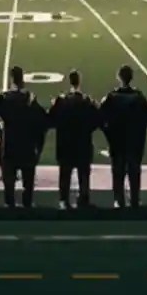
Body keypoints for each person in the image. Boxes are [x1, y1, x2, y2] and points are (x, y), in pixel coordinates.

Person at [0, 66, 46, 209]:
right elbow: (43, 121)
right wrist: (38, 144)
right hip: (26, 146)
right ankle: (27, 209)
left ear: (11, 79)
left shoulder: (4, 98)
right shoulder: (29, 98)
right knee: (28, 185)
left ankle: (10, 209)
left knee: (9, 187)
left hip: (9, 145)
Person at [99, 65, 147, 208]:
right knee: (134, 171)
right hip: (134, 141)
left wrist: (108, 133)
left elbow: (100, 117)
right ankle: (134, 199)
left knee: (118, 172)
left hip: (117, 141)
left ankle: (119, 200)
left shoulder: (111, 97)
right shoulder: (138, 97)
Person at [47, 69, 99, 209]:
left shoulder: (61, 101)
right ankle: (83, 199)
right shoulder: (86, 101)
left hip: (65, 143)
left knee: (65, 173)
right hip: (82, 143)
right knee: (83, 174)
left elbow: (50, 120)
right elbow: (96, 120)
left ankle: (64, 200)